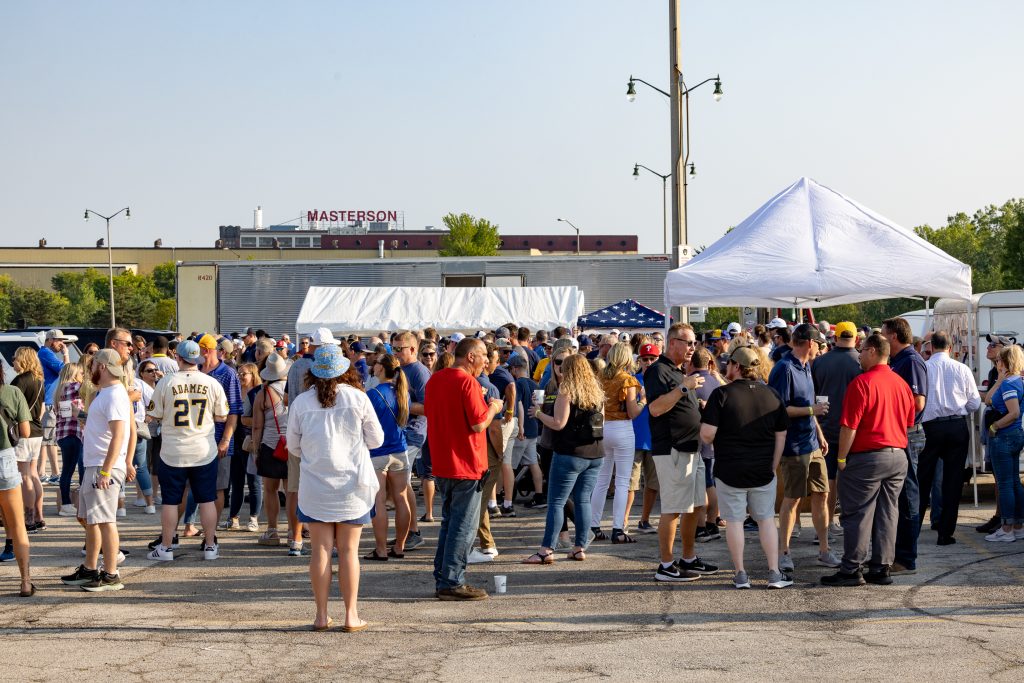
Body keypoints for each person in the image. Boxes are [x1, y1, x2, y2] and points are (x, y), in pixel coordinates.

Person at [286, 344, 381, 632]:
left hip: (316, 485)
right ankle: (351, 615)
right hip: (352, 484)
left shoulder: (302, 402)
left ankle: (321, 615)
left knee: (320, 550)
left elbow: (293, 445)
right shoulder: (358, 397)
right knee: (349, 551)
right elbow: (376, 439)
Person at [821, 334, 914, 586]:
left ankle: (851, 568)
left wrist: (841, 458)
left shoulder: (862, 383)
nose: (859, 356)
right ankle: (881, 567)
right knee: (888, 512)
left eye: (861, 351)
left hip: (868, 457)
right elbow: (909, 421)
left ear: (872, 351)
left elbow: (849, 427)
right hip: (897, 455)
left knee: (858, 514)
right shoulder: (901, 384)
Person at [700, 347, 792, 589]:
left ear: (737, 366)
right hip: (763, 469)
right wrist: (773, 464)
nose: (726, 367)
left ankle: (741, 574)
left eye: (729, 363)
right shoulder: (771, 394)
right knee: (766, 520)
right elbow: (781, 434)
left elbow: (707, 434)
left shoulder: (721, 394)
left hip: (729, 469)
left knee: (734, 521)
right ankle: (774, 572)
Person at [425, 338, 504, 600]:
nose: (486, 362)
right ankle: (452, 581)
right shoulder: (467, 382)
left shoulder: (436, 380)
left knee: (450, 523)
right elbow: (478, 424)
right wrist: (493, 406)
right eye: (483, 356)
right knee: (463, 526)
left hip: (444, 461)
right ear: (471, 356)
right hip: (466, 463)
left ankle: (444, 576)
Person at [644, 323, 718, 582]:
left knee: (696, 506)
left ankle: (688, 558)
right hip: (672, 448)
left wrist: (697, 405)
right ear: (672, 342)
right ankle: (665, 565)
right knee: (674, 508)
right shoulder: (658, 370)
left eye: (694, 343)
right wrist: (684, 388)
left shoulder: (678, 372)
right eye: (688, 343)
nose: (692, 348)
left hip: (692, 448)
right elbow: (655, 408)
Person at [145, 341, 229, 562]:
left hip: (173, 451)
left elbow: (153, 415)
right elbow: (222, 416)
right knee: (207, 499)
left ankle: (166, 547)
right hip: (203, 450)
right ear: (198, 359)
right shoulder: (211, 382)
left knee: (171, 501)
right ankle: (210, 546)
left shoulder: (166, 382)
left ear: (178, 358)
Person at [60, 349, 135, 592]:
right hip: (96, 463)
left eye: (92, 365)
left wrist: (106, 471)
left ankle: (111, 574)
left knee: (104, 520)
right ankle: (90, 569)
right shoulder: (106, 392)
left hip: (104, 466)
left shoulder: (114, 394)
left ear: (102, 366)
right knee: (93, 519)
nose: (89, 369)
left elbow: (119, 435)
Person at [769, 323, 839, 572]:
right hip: (794, 447)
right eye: (819, 344)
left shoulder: (806, 365)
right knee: (793, 499)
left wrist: (819, 433)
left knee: (822, 494)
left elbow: (809, 406)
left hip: (812, 443)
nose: (821, 349)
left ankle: (824, 550)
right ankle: (784, 553)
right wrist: (812, 411)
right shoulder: (784, 368)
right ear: (810, 343)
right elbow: (779, 410)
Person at [524, 353, 606, 564]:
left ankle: (546, 550)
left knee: (556, 502)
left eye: (563, 367)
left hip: (570, 453)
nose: (560, 369)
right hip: (595, 453)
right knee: (583, 500)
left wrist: (538, 413)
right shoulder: (596, 392)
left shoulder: (566, 391)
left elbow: (558, 423)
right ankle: (579, 548)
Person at [917, 331, 981, 546]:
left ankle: (913, 531)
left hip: (930, 427)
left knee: (922, 480)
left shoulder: (924, 367)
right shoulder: (962, 368)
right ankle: (945, 533)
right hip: (956, 426)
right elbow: (974, 403)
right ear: (950, 347)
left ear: (931, 347)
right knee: (953, 481)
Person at [880, 317, 929, 573]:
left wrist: (891, 409)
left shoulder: (910, 361)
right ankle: (897, 554)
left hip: (908, 433)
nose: (881, 339)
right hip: (900, 433)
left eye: (883, 334)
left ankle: (906, 558)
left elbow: (918, 402)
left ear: (894, 336)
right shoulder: (899, 360)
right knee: (900, 496)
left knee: (908, 496)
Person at [811, 321, 862, 537]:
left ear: (835, 337)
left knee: (827, 480)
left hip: (825, 428)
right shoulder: (861, 361)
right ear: (856, 339)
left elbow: (813, 394)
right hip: (854, 430)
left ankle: (826, 524)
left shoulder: (820, 362)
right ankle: (850, 523)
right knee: (852, 480)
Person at [589, 343, 643, 543]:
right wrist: (643, 401)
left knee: (601, 480)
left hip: (603, 427)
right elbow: (633, 412)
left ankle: (593, 526)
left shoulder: (600, 377)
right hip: (622, 428)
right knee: (622, 481)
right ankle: (618, 529)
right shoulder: (628, 380)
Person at [365, 354, 412, 560]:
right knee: (401, 498)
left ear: (381, 368)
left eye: (376, 363)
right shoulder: (403, 392)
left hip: (377, 452)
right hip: (399, 450)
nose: (373, 365)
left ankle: (381, 549)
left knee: (379, 500)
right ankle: (400, 546)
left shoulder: (373, 394)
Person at [196, 334, 242, 530]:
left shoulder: (228, 374)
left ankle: (211, 531)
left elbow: (234, 410)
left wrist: (225, 439)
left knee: (218, 488)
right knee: (194, 487)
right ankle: (192, 526)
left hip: (218, 440)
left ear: (205, 351)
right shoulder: (195, 371)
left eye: (197, 350)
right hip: (195, 439)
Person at [981, 345, 1024, 542]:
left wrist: (995, 426)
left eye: (998, 360)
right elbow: (989, 400)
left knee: (1005, 484)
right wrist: (999, 379)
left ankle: (1006, 528)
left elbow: (1013, 412)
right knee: (1014, 482)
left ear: (1005, 362)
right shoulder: (1015, 381)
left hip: (1004, 436)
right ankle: (1018, 526)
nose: (996, 363)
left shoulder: (1008, 385)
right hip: (1015, 435)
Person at [393, 331, 430, 550]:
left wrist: (398, 403)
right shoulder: (401, 369)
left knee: (402, 484)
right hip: (401, 432)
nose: (396, 353)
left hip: (413, 433)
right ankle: (406, 532)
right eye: (393, 349)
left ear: (413, 349)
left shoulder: (419, 372)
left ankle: (413, 531)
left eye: (399, 349)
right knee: (399, 484)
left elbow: (429, 407)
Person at [0, 368, 34, 595]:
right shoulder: (12, 392)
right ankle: (25, 582)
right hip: (4, 459)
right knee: (18, 525)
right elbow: (26, 431)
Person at [688, 347, 724, 541]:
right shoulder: (716, 382)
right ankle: (712, 523)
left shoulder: (692, 382)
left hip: (698, 439)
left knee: (702, 485)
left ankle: (701, 526)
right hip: (715, 440)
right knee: (711, 483)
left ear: (691, 363)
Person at [11, 348, 46, 531]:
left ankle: (29, 519)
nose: (13, 361)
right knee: (33, 474)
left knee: (24, 475)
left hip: (24, 431)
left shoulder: (20, 381)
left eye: (15, 358)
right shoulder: (39, 379)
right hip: (37, 431)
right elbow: (42, 409)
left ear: (22, 359)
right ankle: (39, 517)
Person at [631, 343, 660, 534]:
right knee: (630, 484)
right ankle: (622, 522)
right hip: (634, 438)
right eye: (645, 359)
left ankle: (644, 520)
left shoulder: (663, 380)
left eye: (652, 359)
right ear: (639, 361)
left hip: (655, 438)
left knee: (653, 484)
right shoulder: (632, 381)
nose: (648, 362)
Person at [509, 354, 544, 509]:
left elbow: (518, 406)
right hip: (534, 429)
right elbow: (540, 406)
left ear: (515, 369)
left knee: (509, 466)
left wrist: (520, 426)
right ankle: (539, 495)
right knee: (533, 463)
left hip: (521, 431)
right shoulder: (536, 385)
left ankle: (505, 496)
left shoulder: (517, 384)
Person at [53, 362, 86, 517]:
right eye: (80, 373)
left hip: (62, 434)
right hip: (73, 433)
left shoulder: (59, 389)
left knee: (66, 470)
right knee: (68, 470)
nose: (82, 375)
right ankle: (66, 505)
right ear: (74, 374)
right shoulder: (75, 387)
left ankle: (66, 503)